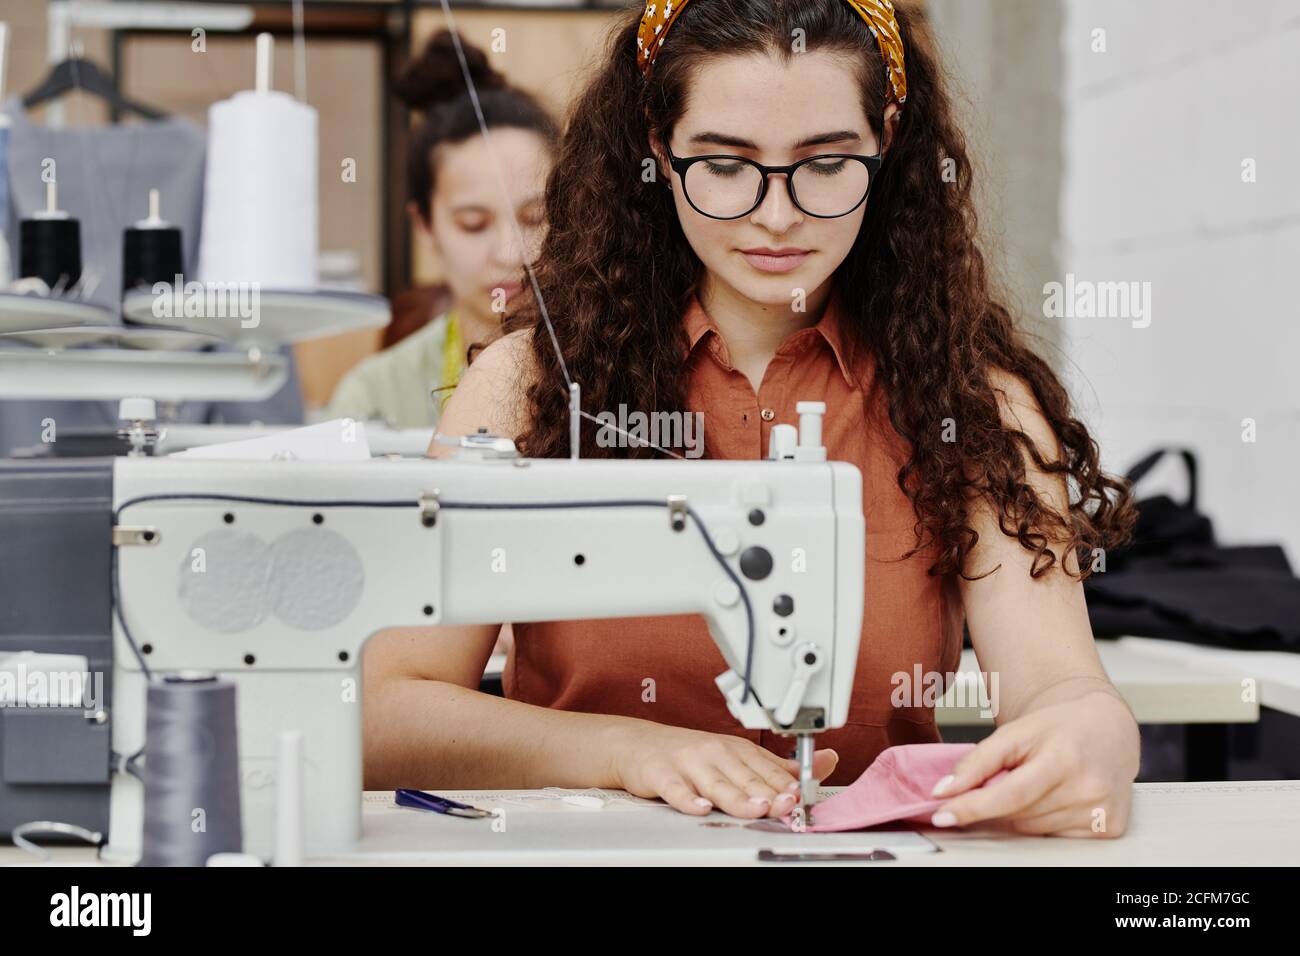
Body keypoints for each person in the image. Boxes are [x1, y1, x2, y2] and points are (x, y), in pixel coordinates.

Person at [364, 0, 1142, 838]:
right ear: (659, 150)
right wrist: (623, 751)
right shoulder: (526, 390)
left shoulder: (974, 405)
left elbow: (1063, 688)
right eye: (726, 165)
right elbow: (381, 712)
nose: (777, 215)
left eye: (826, 162)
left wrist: (1093, 736)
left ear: (886, 140)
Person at [327, 31, 558, 429]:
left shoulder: (619, 367)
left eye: (535, 217)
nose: (510, 252)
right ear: (425, 227)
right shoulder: (373, 396)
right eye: (473, 223)